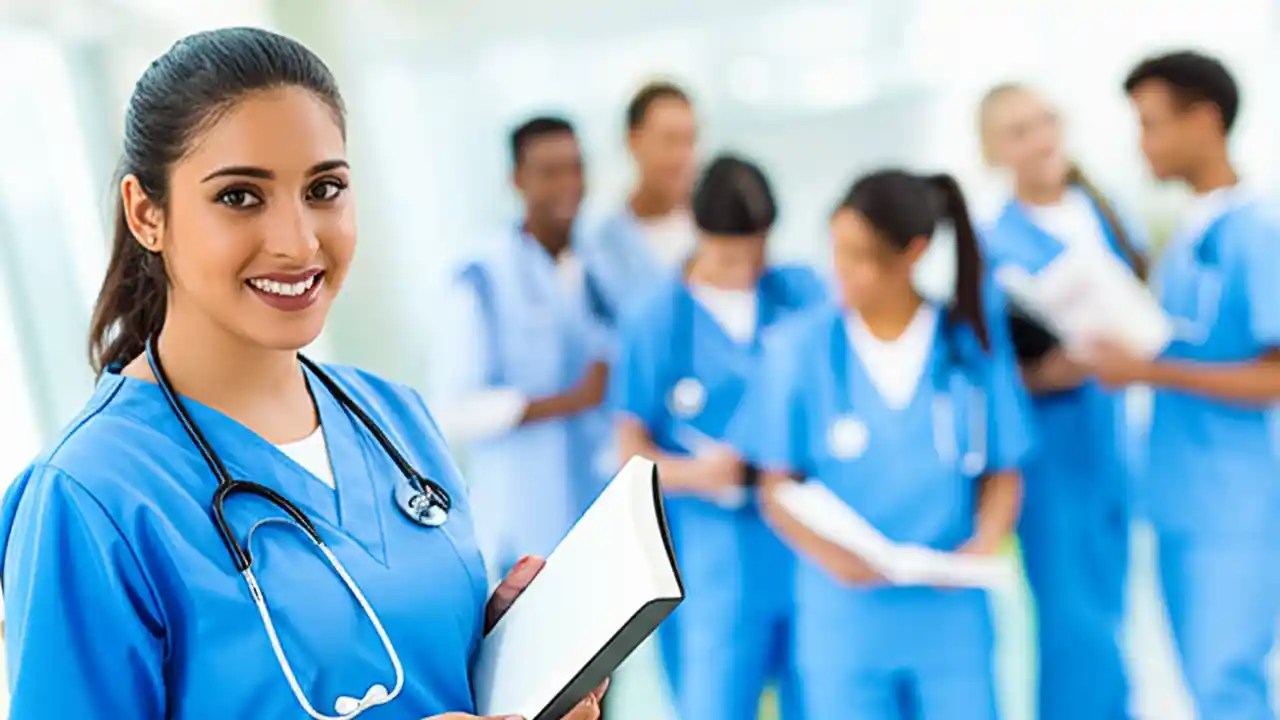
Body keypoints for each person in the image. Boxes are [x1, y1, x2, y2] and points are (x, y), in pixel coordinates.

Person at [0, 28, 605, 720]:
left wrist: (509, 661)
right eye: (239, 197)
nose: (297, 241)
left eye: (324, 189)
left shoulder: (394, 420)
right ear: (147, 213)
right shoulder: (90, 497)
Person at [737, 170, 1031, 719]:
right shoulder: (798, 350)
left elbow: (1003, 469)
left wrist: (984, 544)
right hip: (844, 615)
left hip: (950, 613)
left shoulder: (969, 343)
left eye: (858, 257)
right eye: (836, 252)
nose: (838, 272)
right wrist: (838, 560)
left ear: (913, 253)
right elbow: (774, 487)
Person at [1090, 51, 1280, 720]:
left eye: (1153, 124)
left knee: (1228, 685)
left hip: (1236, 502)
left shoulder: (1258, 232)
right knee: (1201, 685)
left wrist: (1148, 370)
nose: (1144, 144)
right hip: (1181, 496)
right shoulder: (1186, 235)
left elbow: (1275, 375)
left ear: (1206, 120)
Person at [610, 155, 826, 720]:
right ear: (698, 231)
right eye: (732, 254)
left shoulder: (799, 292)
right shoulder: (655, 319)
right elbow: (628, 454)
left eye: (758, 250)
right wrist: (699, 475)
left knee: (824, 696)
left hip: (807, 546)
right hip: (717, 558)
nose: (748, 267)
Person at [977, 83, 1147, 720]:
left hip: (1113, 443)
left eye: (1046, 120)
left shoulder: (1107, 214)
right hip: (1052, 457)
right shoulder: (992, 244)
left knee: (1111, 612)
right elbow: (991, 371)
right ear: (993, 150)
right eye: (1018, 131)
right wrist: (1059, 368)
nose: (1040, 139)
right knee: (1074, 627)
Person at [431, 116, 611, 582]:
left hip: (599, 509)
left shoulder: (599, 263)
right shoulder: (482, 278)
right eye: (549, 171)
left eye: (575, 168)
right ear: (517, 179)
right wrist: (568, 402)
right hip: (527, 527)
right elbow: (453, 411)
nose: (567, 184)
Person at [579, 81, 699, 327]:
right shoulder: (599, 248)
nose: (680, 156)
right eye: (669, 140)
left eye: (689, 141)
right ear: (633, 141)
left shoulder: (719, 234)